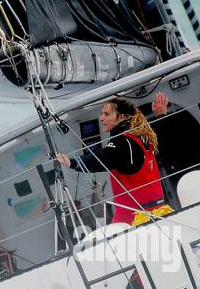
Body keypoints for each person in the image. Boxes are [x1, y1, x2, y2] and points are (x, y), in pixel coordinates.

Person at [56, 92, 171, 226]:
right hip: (158, 212)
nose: (101, 118)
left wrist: (72, 162)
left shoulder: (123, 143)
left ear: (121, 117)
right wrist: (161, 115)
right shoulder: (144, 136)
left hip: (136, 219)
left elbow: (102, 158)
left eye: (106, 114)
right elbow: (161, 133)